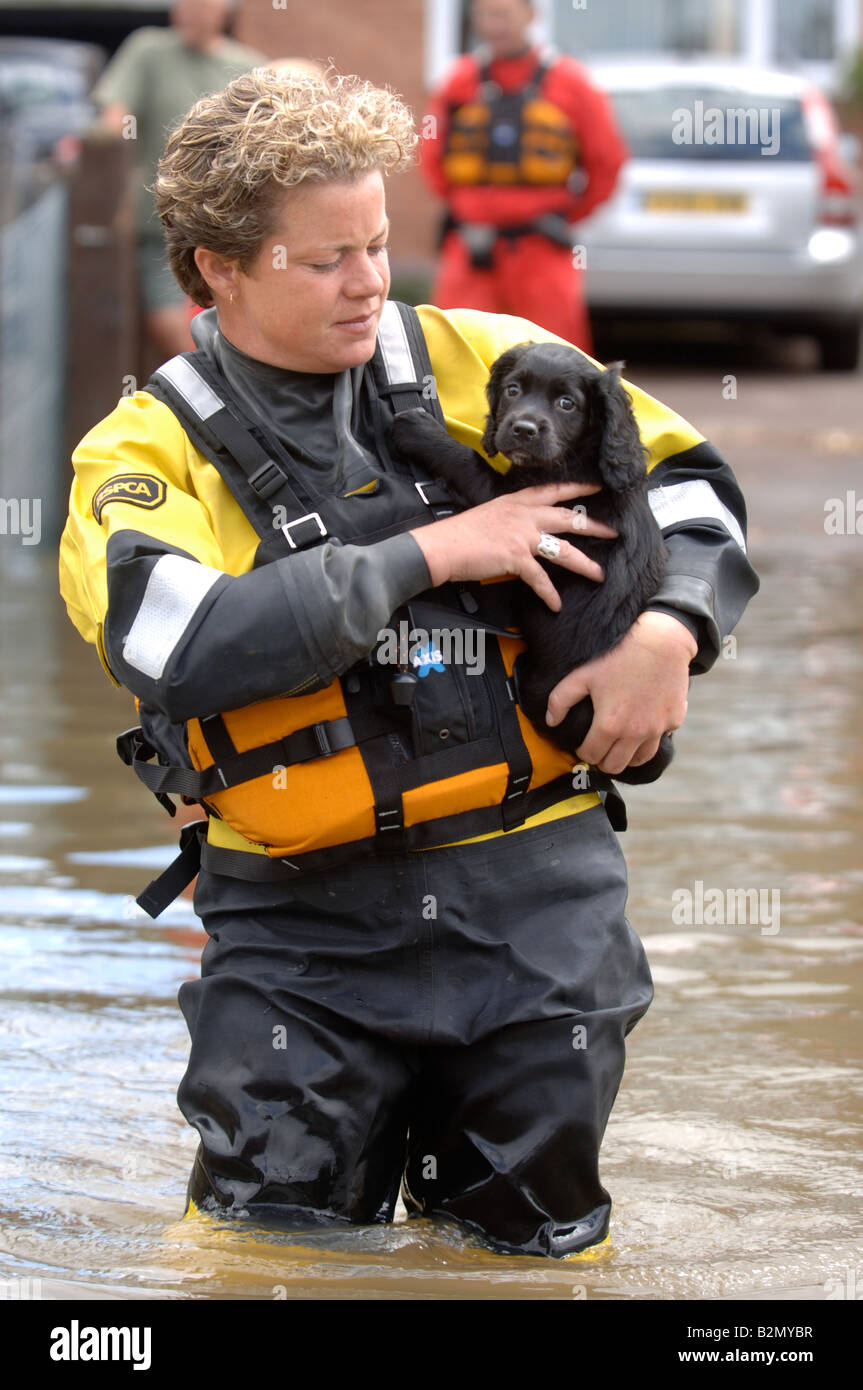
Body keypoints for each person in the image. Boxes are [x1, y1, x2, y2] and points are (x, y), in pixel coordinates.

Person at [58, 68, 759, 1259]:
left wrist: (669, 630)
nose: (370, 281)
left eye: (379, 244)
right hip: (299, 939)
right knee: (265, 1258)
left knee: (532, 1262)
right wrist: (438, 547)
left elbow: (694, 489)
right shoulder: (139, 451)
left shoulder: (491, 355)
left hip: (539, 909)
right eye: (324, 257)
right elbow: (176, 642)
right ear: (216, 266)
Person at [421, 0, 628, 353]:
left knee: (556, 358)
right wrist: (469, 208)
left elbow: (607, 161)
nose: (494, 24)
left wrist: (564, 216)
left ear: (532, 15)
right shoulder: (458, 82)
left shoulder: (573, 83)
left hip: (542, 249)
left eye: (504, 14)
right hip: (472, 248)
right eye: (486, 15)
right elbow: (430, 155)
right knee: (453, 352)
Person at [92, 0, 263, 359]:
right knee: (173, 325)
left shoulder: (248, 66)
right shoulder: (149, 51)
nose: (188, 11)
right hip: (162, 225)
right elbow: (114, 118)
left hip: (231, 223)